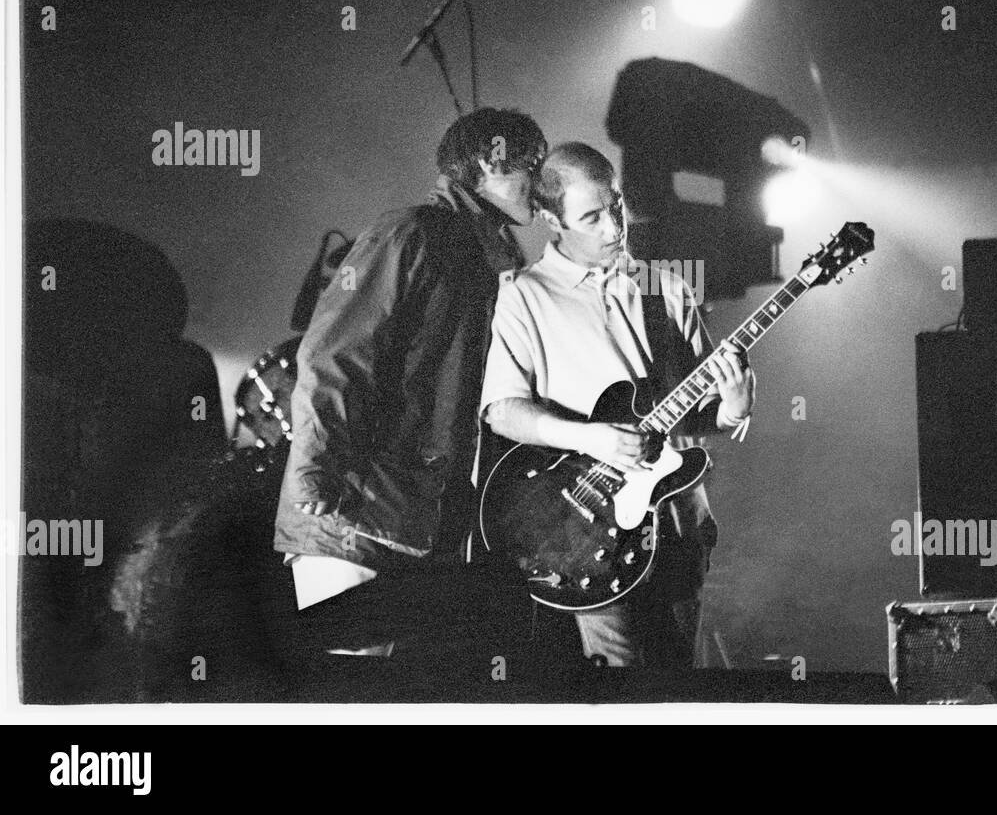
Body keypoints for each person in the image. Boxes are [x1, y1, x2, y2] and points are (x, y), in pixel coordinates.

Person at [272, 108, 546, 665]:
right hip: (353, 513)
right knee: (354, 694)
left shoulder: (487, 258)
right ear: (490, 161)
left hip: (423, 522)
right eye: (533, 168)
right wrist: (312, 471)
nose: (542, 189)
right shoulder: (411, 232)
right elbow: (333, 355)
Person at [479, 142, 755, 667]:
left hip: (676, 517)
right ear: (549, 219)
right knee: (620, 682)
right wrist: (590, 437)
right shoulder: (523, 295)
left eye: (616, 206)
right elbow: (502, 409)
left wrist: (734, 408)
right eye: (590, 217)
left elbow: (700, 410)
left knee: (675, 686)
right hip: (585, 523)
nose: (613, 228)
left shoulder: (669, 291)